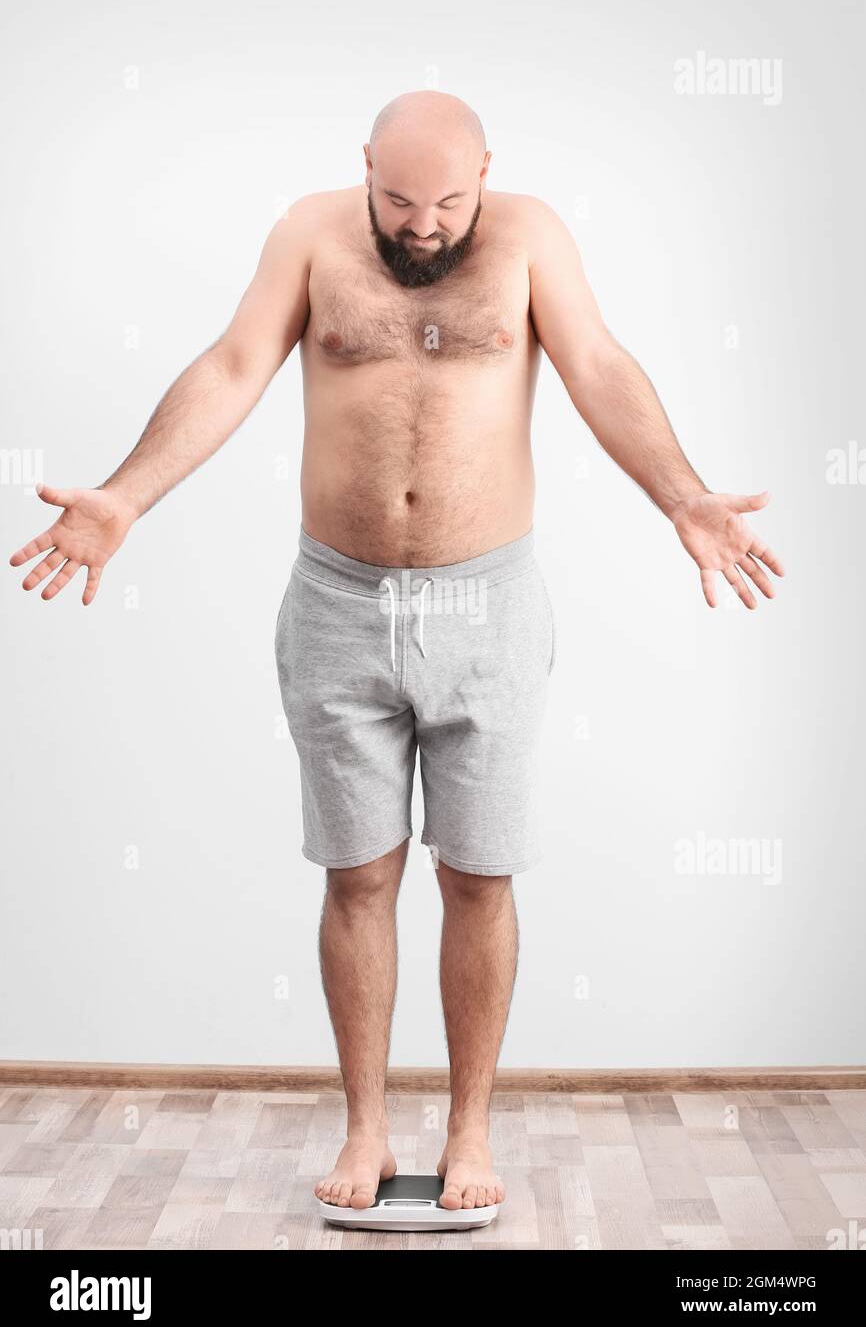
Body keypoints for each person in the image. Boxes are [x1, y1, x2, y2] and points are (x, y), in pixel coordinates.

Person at [8, 91, 783, 1214]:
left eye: (447, 203)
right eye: (397, 200)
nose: (421, 227)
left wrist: (684, 498)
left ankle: (470, 1131)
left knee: (477, 874)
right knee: (358, 874)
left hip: (489, 604)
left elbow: (600, 368)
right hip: (338, 601)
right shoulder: (310, 236)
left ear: (485, 173)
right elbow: (232, 366)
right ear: (363, 167)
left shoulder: (529, 239)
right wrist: (124, 499)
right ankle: (365, 1129)